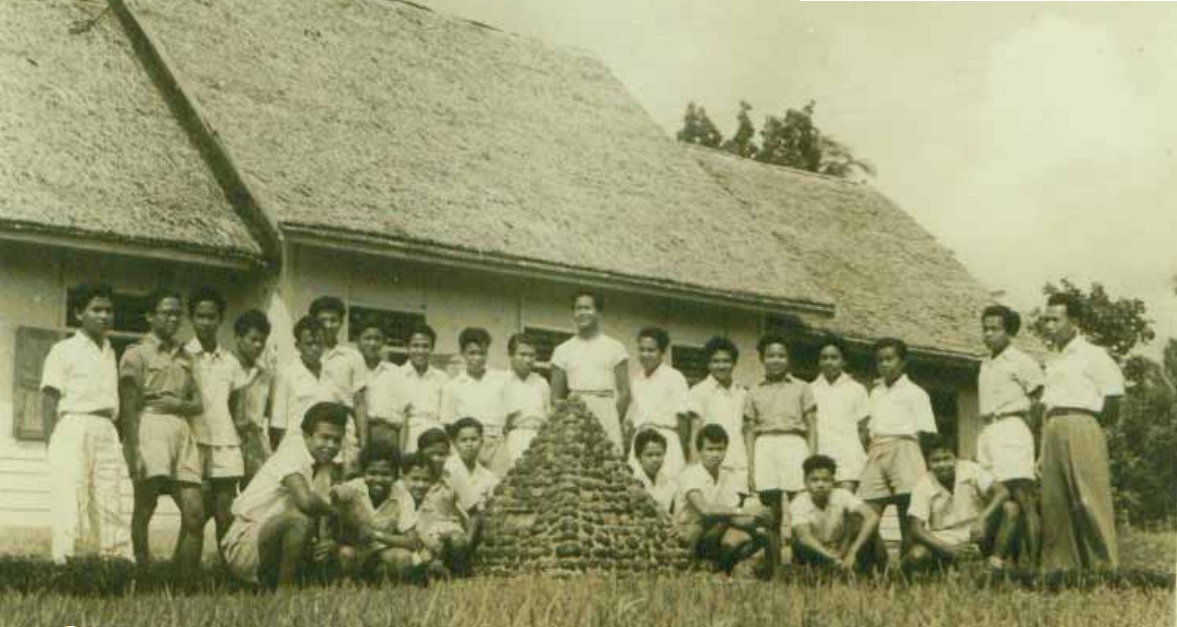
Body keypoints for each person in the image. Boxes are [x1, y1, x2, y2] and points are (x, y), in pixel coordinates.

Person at [40, 283, 133, 563]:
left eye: (109, 310)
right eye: (96, 309)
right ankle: (66, 561)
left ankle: (115, 560)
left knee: (109, 495)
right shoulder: (63, 349)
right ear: (79, 313)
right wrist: (51, 442)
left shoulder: (110, 351)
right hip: (73, 426)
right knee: (72, 494)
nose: (104, 316)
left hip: (105, 428)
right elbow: (49, 397)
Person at [119, 288, 205, 569]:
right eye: (166, 313)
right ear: (150, 316)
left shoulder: (187, 356)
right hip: (149, 429)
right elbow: (128, 407)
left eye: (177, 314)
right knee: (146, 506)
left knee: (195, 513)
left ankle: (185, 582)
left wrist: (177, 404)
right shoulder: (136, 355)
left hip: (182, 431)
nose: (173, 319)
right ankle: (141, 571)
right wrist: (132, 449)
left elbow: (198, 404)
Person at [1038, 293, 1124, 570]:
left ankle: (1103, 568)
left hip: (1083, 423)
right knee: (1055, 502)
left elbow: (1113, 397)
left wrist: (1091, 426)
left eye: (1055, 319)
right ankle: (1061, 570)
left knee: (1089, 498)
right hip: (1052, 426)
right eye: (1046, 319)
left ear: (1073, 321)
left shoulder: (1093, 355)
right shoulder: (1052, 358)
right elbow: (1046, 406)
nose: (1049, 325)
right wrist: (1042, 448)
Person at [221, 402, 348, 587]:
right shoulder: (292, 453)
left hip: (275, 540)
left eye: (337, 440)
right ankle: (284, 594)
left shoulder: (323, 469)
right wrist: (334, 512)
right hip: (246, 541)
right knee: (298, 521)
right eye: (325, 437)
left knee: (321, 538)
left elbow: (319, 512)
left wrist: (326, 541)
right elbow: (305, 502)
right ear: (307, 436)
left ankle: (287, 583)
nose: (331, 445)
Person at [977, 304, 1044, 567]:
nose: (988, 334)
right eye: (985, 329)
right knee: (999, 497)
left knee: (1024, 498)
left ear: (1009, 331)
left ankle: (1035, 567)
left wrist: (1034, 438)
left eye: (995, 329)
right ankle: (1007, 561)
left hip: (1013, 428)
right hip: (988, 431)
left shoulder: (1021, 360)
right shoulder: (985, 363)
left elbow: (1039, 400)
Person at [743, 332, 816, 568]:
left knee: (799, 508)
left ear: (789, 359)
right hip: (765, 446)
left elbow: (813, 425)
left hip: (795, 444)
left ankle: (800, 564)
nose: (776, 360)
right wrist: (751, 466)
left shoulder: (803, 388)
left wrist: (812, 460)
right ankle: (774, 568)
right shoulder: (753, 391)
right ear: (763, 359)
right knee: (771, 514)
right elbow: (749, 431)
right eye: (770, 355)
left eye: (781, 355)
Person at [859, 337, 938, 550]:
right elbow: (869, 428)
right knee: (869, 509)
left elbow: (927, 433)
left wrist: (918, 462)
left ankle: (908, 570)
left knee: (908, 511)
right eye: (880, 360)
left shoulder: (916, 393)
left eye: (890, 359)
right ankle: (874, 567)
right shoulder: (875, 392)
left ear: (903, 362)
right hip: (877, 450)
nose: (885, 364)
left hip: (905, 448)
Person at [185, 286, 247, 549]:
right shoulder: (183, 356)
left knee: (225, 512)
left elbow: (238, 407)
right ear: (192, 318)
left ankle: (228, 573)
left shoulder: (231, 362)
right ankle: (186, 576)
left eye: (212, 317)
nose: (206, 322)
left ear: (221, 319)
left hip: (224, 442)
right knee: (193, 515)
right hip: (192, 442)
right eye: (200, 316)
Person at [903, 437, 1019, 574]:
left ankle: (994, 566)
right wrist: (948, 549)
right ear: (928, 463)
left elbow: (1002, 491)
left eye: (947, 458)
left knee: (1011, 508)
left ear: (955, 458)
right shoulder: (924, 483)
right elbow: (916, 528)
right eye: (936, 460)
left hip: (976, 530)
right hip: (946, 536)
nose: (942, 465)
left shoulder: (969, 468)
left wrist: (983, 518)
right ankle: (946, 570)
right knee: (917, 555)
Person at [676, 424, 772, 576]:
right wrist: (744, 511)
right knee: (700, 525)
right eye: (710, 449)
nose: (715, 454)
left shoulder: (727, 476)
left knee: (752, 534)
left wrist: (758, 519)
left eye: (720, 449)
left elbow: (731, 515)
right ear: (699, 451)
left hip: (714, 530)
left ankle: (716, 568)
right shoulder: (690, 474)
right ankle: (687, 567)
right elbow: (705, 510)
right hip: (687, 531)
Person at [333, 440, 427, 582]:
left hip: (381, 550)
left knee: (403, 558)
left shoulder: (402, 494)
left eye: (385, 474)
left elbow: (412, 541)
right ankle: (349, 581)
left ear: (395, 475)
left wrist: (376, 535)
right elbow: (330, 499)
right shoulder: (353, 488)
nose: (378, 479)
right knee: (345, 554)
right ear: (363, 472)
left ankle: (381, 580)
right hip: (354, 547)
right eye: (372, 473)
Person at [550, 290, 631, 452]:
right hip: (575, 417)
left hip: (607, 412)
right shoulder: (562, 350)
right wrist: (570, 423)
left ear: (598, 312)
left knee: (610, 466)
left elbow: (625, 394)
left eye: (587, 308)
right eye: (578, 308)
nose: (582, 313)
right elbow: (556, 397)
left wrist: (612, 421)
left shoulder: (615, 347)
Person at [418, 418, 496, 576]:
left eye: (441, 454)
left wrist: (466, 543)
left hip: (452, 530)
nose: (437, 459)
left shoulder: (454, 474)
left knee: (455, 542)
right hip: (419, 531)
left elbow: (474, 511)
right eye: (464, 440)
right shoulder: (414, 476)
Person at [789, 455, 882, 572]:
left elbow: (872, 517)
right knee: (799, 543)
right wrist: (830, 557)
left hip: (841, 547)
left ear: (833, 481)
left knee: (870, 531)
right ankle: (811, 573)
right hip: (816, 551)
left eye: (825, 480)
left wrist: (852, 551)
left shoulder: (842, 495)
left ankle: (874, 575)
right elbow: (804, 537)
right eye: (814, 480)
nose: (820, 485)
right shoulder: (799, 502)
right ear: (805, 482)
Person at [440, 328, 511, 475]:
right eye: (472, 353)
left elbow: (509, 417)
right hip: (467, 445)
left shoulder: (501, 380)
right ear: (462, 354)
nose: (477, 358)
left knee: (499, 487)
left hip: (496, 443)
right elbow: (448, 424)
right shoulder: (452, 386)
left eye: (482, 353)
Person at [309, 296, 368, 472]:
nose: (328, 325)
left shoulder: (352, 356)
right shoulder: (307, 354)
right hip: (311, 429)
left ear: (341, 322)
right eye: (323, 320)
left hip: (343, 430)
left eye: (333, 320)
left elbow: (359, 401)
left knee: (339, 484)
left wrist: (363, 442)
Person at [628, 327, 696, 477]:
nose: (645, 354)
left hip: (667, 440)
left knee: (669, 487)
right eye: (642, 350)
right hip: (640, 441)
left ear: (662, 353)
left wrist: (683, 448)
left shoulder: (674, 377)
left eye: (651, 350)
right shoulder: (636, 380)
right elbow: (634, 418)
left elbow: (683, 418)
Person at [271, 317, 344, 449]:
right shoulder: (287, 376)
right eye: (309, 344)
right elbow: (278, 424)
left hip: (326, 448)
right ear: (298, 346)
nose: (315, 349)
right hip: (296, 447)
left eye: (319, 343)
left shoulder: (332, 375)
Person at [808, 335, 869, 492]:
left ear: (844, 361)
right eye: (824, 358)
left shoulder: (856, 389)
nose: (829, 362)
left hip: (848, 458)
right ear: (818, 361)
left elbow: (863, 428)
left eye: (834, 357)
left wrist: (854, 453)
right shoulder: (810, 389)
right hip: (820, 457)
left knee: (844, 505)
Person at [690, 336, 749, 475]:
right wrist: (694, 465)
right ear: (708, 364)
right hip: (711, 464)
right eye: (715, 361)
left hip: (739, 463)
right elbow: (695, 431)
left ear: (734, 363)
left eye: (726, 361)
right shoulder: (698, 391)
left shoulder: (743, 393)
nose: (721, 366)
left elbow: (746, 431)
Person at [229, 309, 274, 486]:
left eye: (262, 341)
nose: (258, 346)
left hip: (254, 443)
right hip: (226, 441)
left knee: (254, 497)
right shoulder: (225, 366)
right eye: (253, 339)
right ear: (238, 338)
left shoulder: (265, 374)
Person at [354, 316, 407, 451]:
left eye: (377, 339)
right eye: (367, 338)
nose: (372, 343)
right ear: (357, 341)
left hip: (387, 433)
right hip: (356, 435)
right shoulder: (351, 369)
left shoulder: (395, 371)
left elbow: (403, 414)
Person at [502, 333, 551, 466]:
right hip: (514, 439)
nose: (528, 360)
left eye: (531, 355)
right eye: (522, 354)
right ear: (511, 356)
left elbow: (549, 414)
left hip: (539, 438)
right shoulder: (501, 381)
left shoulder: (542, 382)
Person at [400, 324, 450, 453]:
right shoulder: (397, 375)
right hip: (409, 437)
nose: (421, 351)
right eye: (416, 346)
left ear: (432, 348)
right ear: (407, 347)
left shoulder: (442, 378)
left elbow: (446, 416)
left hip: (437, 437)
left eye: (425, 346)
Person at [630, 429, 678, 514]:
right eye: (649, 455)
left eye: (658, 454)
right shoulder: (633, 481)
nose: (655, 459)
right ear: (638, 458)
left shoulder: (670, 484)